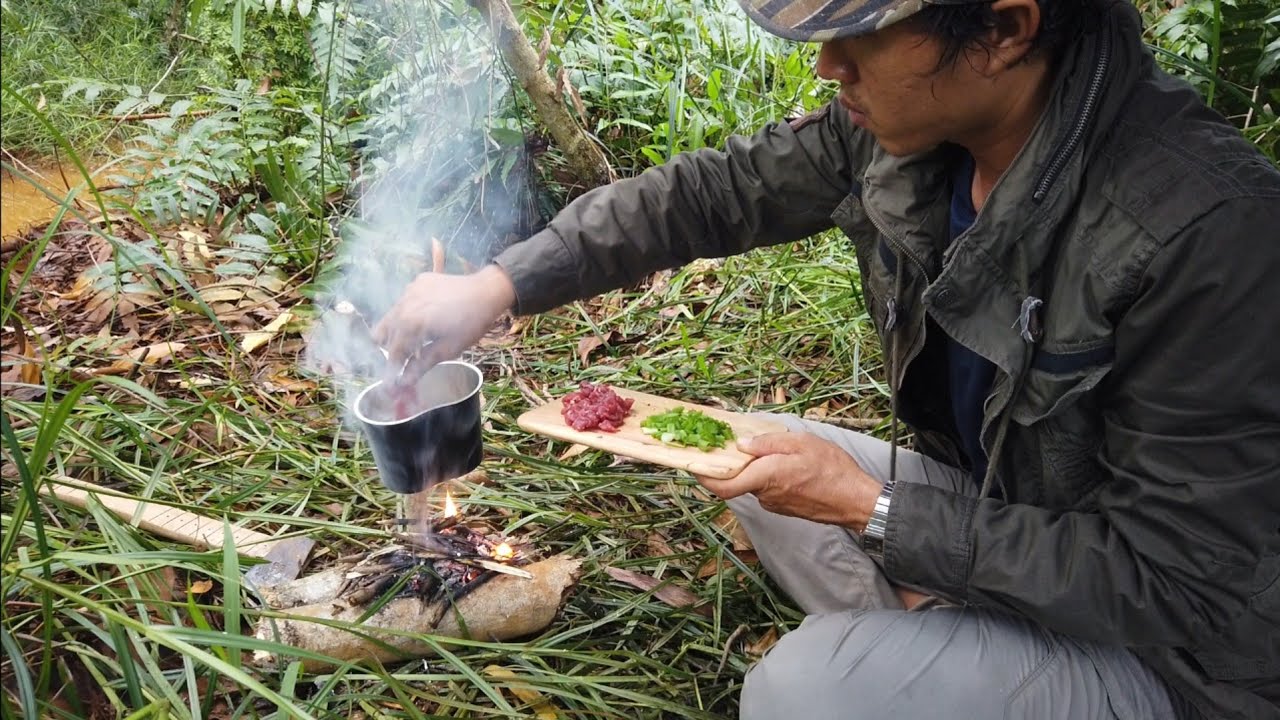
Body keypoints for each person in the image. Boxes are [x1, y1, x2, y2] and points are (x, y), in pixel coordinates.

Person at [374, 0, 1280, 716]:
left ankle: (949, 657)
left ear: (1005, 29)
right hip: (1022, 516)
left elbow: (1177, 581)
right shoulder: (914, 131)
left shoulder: (1204, 234)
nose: (827, 67)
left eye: (861, 35)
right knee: (748, 457)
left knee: (803, 692)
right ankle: (958, 646)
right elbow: (707, 195)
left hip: (1175, 660)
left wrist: (876, 508)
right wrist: (499, 284)